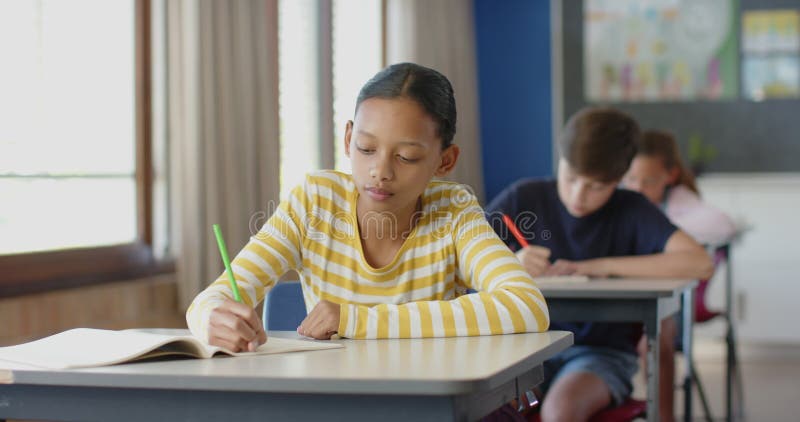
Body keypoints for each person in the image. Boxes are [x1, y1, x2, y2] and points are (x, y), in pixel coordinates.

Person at [186, 62, 550, 353]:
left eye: (407, 157)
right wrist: (213, 318)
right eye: (365, 149)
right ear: (347, 139)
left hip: (422, 406)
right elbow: (209, 301)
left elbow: (526, 305)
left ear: (445, 161)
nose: (381, 172)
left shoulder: (454, 212)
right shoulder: (313, 202)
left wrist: (355, 321)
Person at [485, 107, 713, 422]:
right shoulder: (524, 197)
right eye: (571, 178)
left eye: (596, 187)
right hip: (526, 349)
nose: (579, 195)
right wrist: (509, 262)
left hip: (600, 355)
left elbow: (699, 263)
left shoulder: (631, 210)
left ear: (619, 180)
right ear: (559, 160)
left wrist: (599, 265)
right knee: (490, 406)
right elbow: (454, 260)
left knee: (560, 411)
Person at [622, 129, 737, 421]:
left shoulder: (678, 202)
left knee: (658, 333)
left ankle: (663, 417)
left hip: (671, 305)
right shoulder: (618, 201)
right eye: (631, 179)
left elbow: (722, 224)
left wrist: (665, 231)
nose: (637, 189)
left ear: (670, 176)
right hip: (622, 300)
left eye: (647, 181)